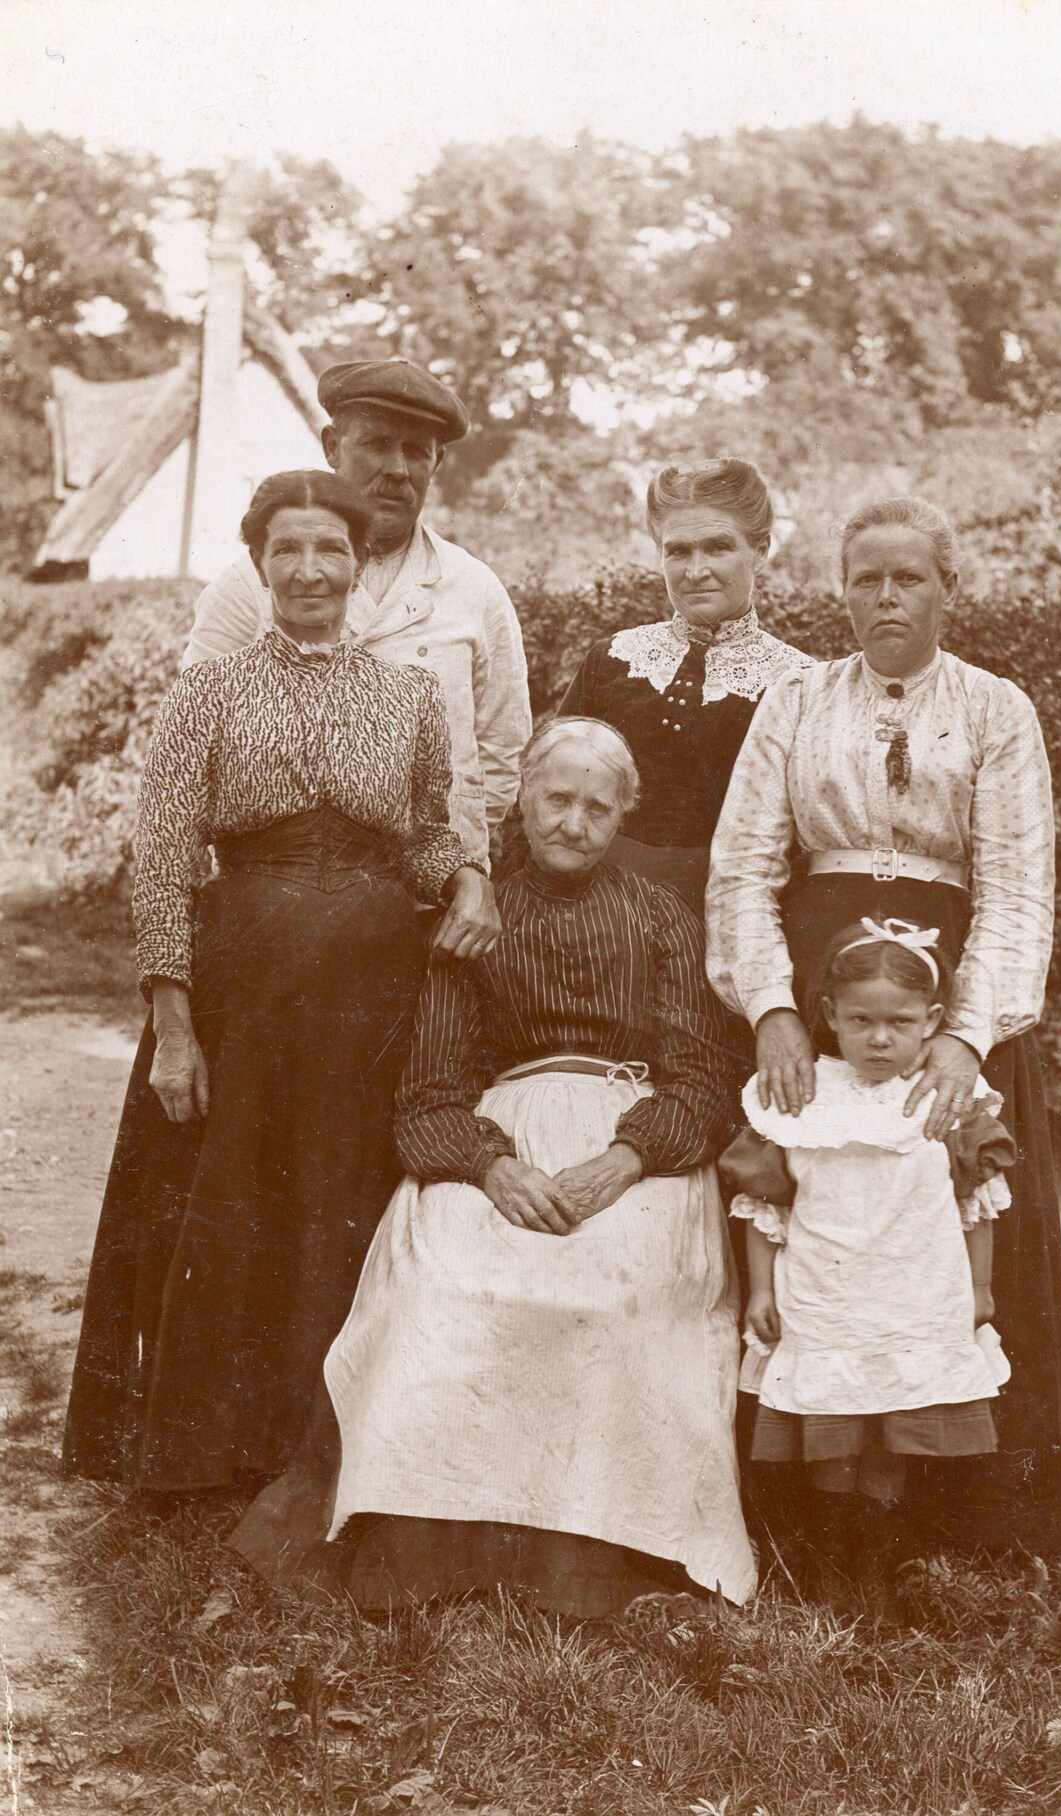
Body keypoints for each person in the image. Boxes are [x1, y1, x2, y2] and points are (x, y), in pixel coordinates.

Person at [231, 718, 756, 1617]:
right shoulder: (477, 921)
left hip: (638, 1143)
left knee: (621, 1289)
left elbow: (702, 1078)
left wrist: (627, 1158)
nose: (574, 823)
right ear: (522, 798)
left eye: (599, 806)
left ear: (623, 815)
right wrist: (492, 1168)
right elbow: (429, 1096)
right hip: (500, 1132)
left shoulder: (664, 918)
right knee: (449, 1283)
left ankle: (608, 1560)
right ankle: (424, 1551)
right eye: (557, 799)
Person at [63, 470, 485, 1493]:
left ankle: (322, 1452)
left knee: (337, 1201)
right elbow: (162, 854)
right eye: (285, 549)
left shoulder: (409, 692)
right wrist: (173, 1024)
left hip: (367, 997)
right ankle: (209, 1452)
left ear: (357, 561)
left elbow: (427, 831)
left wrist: (469, 877)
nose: (308, 569)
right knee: (236, 1204)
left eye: (328, 548)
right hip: (241, 988)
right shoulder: (208, 689)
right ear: (258, 565)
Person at [707, 495, 1061, 1559]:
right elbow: (742, 867)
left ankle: (961, 1523)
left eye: (908, 577)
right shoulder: (795, 699)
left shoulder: (999, 710)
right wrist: (772, 1006)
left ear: (948, 591)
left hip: (942, 1000)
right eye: (864, 577)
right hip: (818, 1000)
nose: (884, 597)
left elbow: (1016, 888)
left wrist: (968, 1036)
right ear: (841, 591)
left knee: (945, 1214)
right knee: (807, 1217)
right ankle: (800, 1519)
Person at [726, 917, 1015, 1609]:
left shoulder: (949, 1098)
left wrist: (978, 1286)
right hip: (827, 1289)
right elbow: (767, 1207)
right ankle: (832, 1567)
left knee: (890, 1424)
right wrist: (761, 1288)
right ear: (829, 1015)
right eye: (860, 1020)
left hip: (913, 1289)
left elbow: (977, 1200)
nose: (879, 1038)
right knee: (833, 1425)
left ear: (932, 1020)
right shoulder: (801, 1093)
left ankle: (878, 1569)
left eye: (899, 1021)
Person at [182, 357, 531, 892]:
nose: (396, 469)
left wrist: (455, 864)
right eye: (376, 442)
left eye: (416, 452)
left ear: (435, 464)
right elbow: (195, 745)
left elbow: (503, 750)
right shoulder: (246, 584)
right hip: (281, 894)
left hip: (434, 898)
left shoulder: (474, 589)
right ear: (331, 446)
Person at [556, 457, 812, 913]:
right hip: (593, 913)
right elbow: (549, 797)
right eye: (678, 551)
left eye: (717, 548)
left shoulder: (800, 684)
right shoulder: (613, 659)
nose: (695, 571)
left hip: (729, 914)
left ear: (760, 551)